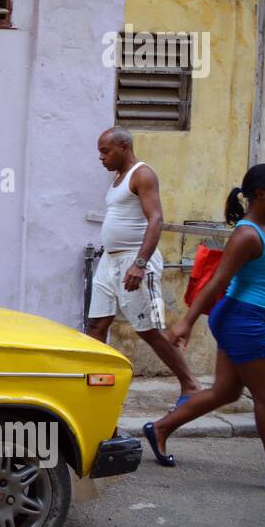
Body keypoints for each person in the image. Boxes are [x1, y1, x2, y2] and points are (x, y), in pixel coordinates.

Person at [144, 164, 265, 497]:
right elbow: (217, 282)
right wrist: (186, 321)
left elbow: (261, 279)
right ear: (261, 195)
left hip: (248, 318)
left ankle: (161, 428)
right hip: (243, 320)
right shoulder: (247, 234)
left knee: (227, 391)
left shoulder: (263, 227)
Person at [87, 127, 203, 405]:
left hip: (135, 259)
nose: (101, 158)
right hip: (110, 260)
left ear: (124, 147)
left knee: (148, 328)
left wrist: (140, 264)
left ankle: (190, 384)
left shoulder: (143, 174)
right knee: (96, 324)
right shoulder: (118, 178)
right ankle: (93, 385)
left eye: (106, 151)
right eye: (100, 152)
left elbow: (156, 220)